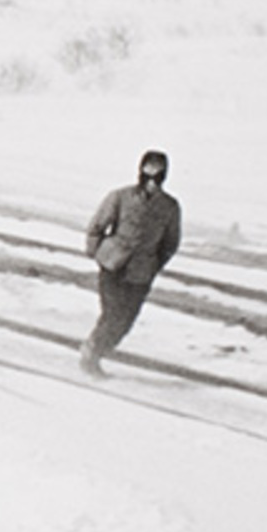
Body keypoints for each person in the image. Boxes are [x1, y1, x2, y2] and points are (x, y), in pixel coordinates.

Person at [81, 148, 181, 376]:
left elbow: (170, 243)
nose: (153, 180)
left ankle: (96, 351)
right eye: (149, 172)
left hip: (141, 273)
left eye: (158, 173)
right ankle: (91, 355)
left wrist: (154, 265)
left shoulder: (170, 207)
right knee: (112, 314)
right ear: (141, 171)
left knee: (126, 321)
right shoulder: (120, 196)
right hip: (113, 265)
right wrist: (97, 253)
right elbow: (97, 226)